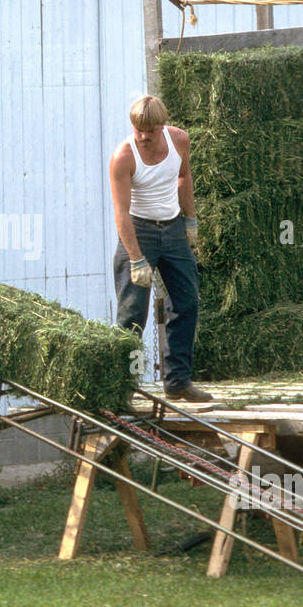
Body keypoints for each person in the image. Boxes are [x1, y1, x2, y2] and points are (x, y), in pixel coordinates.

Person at [108, 94, 212, 403]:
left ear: (162, 126)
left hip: (173, 229)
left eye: (150, 130)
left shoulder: (179, 141)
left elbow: (184, 176)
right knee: (131, 314)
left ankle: (178, 382)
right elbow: (121, 212)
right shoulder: (124, 156)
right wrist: (137, 259)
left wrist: (190, 219)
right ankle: (121, 389)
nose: (143, 136)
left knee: (186, 302)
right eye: (138, 130)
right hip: (138, 232)